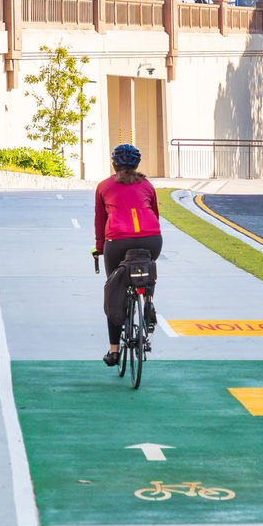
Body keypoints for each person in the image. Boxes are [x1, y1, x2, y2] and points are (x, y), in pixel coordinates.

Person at [93, 143, 161, 366]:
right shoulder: (147, 185)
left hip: (118, 241)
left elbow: (100, 222)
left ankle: (114, 351)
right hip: (151, 238)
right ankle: (148, 299)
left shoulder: (104, 186)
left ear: (114, 164)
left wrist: (100, 248)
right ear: (137, 164)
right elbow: (155, 215)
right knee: (147, 268)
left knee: (114, 290)